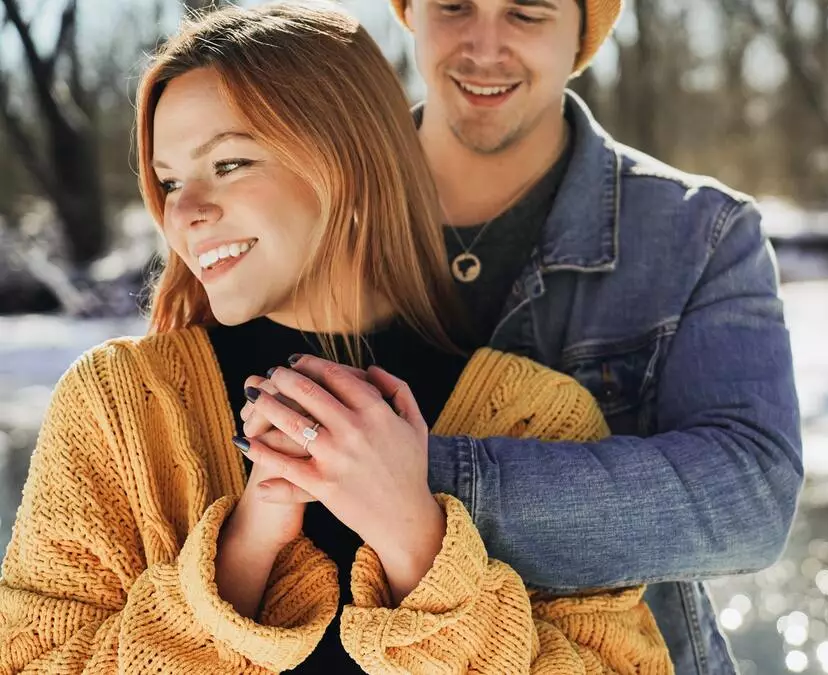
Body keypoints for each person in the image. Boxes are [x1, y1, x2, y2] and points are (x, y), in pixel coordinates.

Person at [0, 3, 671, 672]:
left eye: (229, 163)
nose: (184, 211)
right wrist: (242, 554)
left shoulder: (537, 418)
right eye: (170, 179)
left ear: (349, 163)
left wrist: (417, 544)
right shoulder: (118, 408)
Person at [244, 1, 805, 672]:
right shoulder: (304, 212)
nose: (485, 45)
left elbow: (750, 496)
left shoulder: (700, 234)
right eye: (454, 6)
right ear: (412, 14)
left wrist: (412, 477)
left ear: (581, 35)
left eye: (526, 13)